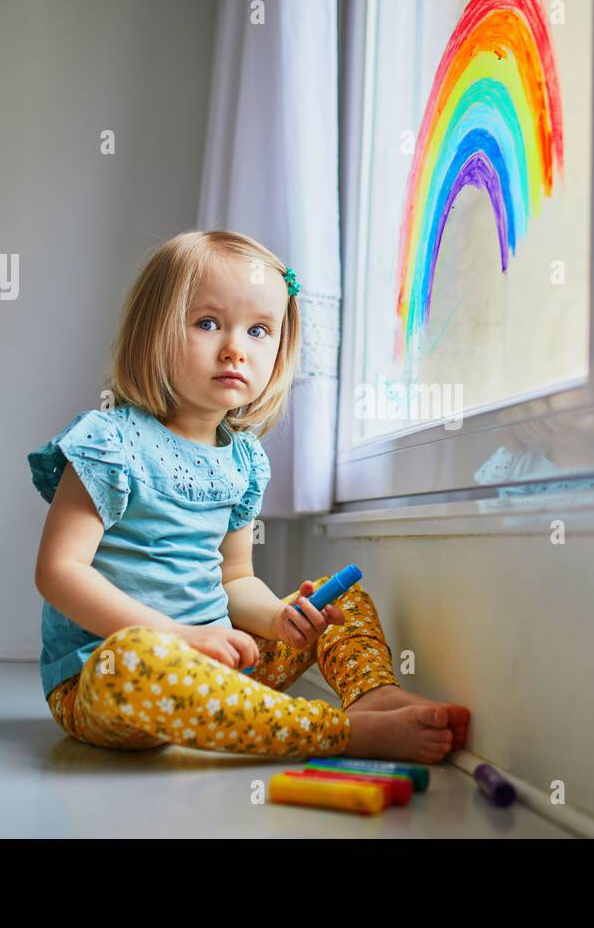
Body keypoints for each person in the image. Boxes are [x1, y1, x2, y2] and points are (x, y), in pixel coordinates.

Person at [29, 229, 470, 761]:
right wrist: (176, 638)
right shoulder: (109, 442)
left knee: (339, 597)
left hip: (219, 663)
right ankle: (339, 733)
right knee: (134, 660)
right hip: (111, 677)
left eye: (259, 330)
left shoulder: (243, 460)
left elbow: (235, 579)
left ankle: (373, 697)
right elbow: (58, 572)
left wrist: (279, 620)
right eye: (208, 323)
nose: (236, 348)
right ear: (155, 332)